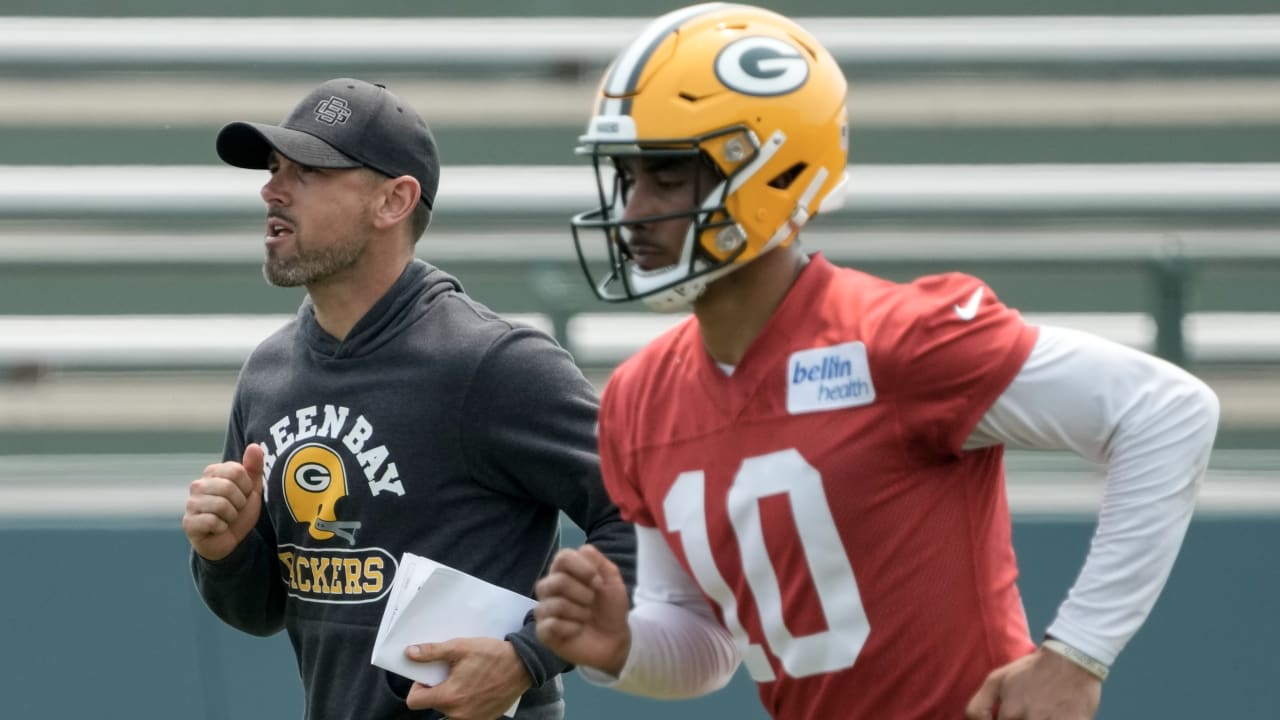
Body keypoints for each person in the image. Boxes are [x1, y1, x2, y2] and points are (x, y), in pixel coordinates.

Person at [532, 4, 1220, 719]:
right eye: (627, 176)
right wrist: (620, 646)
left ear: (771, 171)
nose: (635, 208)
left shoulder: (899, 339)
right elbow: (706, 639)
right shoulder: (640, 396)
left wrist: (1078, 653)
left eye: (667, 177)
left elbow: (1167, 412)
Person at [181, 77, 635, 720]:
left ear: (394, 200)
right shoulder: (269, 372)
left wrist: (528, 656)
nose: (271, 189)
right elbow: (261, 611)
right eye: (275, 169)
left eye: (307, 171)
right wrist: (225, 552)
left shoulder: (494, 364)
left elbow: (645, 517)